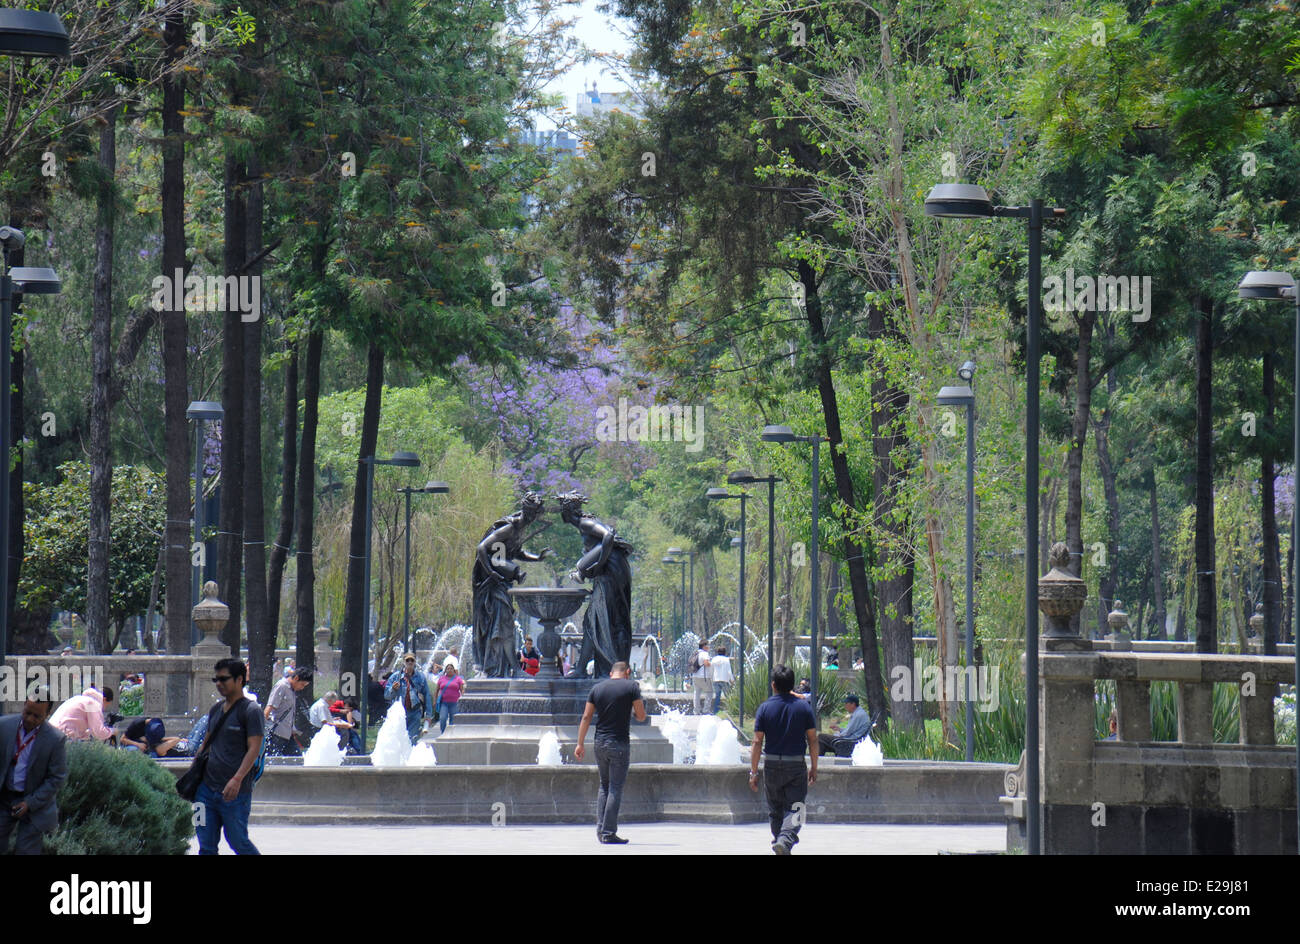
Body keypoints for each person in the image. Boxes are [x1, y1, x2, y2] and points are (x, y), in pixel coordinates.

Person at [194, 658, 264, 855]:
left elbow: (254, 749)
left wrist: (237, 779)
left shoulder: (251, 711)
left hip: (235, 792)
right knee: (205, 845)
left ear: (239, 679)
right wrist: (194, 777)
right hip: (205, 791)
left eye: (223, 679)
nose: (218, 684)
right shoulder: (215, 709)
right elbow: (205, 745)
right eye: (215, 679)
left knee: (238, 842)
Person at [574, 661, 646, 844]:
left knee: (604, 785)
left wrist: (579, 744)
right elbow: (642, 715)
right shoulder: (632, 687)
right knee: (615, 787)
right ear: (627, 672)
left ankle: (601, 830)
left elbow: (586, 717)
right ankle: (608, 832)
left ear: (611, 672)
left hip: (599, 742)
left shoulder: (597, 688)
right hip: (619, 743)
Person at [750, 665, 818, 855]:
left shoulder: (765, 708)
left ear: (773, 685)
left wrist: (753, 772)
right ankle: (785, 840)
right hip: (795, 764)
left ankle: (780, 841)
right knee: (796, 808)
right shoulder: (803, 708)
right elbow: (813, 739)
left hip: (771, 763)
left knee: (775, 808)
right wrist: (814, 766)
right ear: (792, 685)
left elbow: (757, 741)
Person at [0, 688, 67, 855]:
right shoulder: (4, 726)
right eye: (27, 712)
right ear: (23, 705)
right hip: (5, 798)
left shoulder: (55, 739)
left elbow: (56, 778)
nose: (30, 719)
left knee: (26, 851)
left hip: (35, 803)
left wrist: (30, 803)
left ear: (48, 714)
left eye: (37, 716)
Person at [386, 655, 433, 744]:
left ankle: (410, 756)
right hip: (400, 713)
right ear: (404, 662)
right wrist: (393, 689)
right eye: (408, 660)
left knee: (412, 738)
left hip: (415, 712)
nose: (410, 662)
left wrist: (428, 715)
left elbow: (427, 695)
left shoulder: (420, 677)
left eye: (412, 660)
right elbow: (387, 696)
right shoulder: (395, 677)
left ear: (415, 662)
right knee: (398, 739)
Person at [264, 666, 311, 756]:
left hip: (288, 735)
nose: (302, 688)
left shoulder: (292, 690)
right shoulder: (282, 686)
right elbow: (269, 708)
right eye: (302, 685)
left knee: (297, 761)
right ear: (296, 678)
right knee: (271, 761)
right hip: (276, 734)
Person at [49, 686, 116, 743]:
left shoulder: (79, 699)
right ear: (104, 699)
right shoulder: (93, 703)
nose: (104, 708)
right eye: (106, 705)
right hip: (63, 735)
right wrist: (112, 731)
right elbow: (98, 732)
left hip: (51, 731)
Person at [435, 662, 466, 734]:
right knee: (442, 718)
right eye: (448, 669)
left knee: (453, 720)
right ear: (445, 670)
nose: (449, 670)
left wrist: (462, 699)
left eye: (451, 668)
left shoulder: (458, 679)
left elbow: (462, 690)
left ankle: (451, 734)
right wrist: (435, 700)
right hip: (444, 703)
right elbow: (436, 690)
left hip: (454, 703)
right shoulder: (441, 679)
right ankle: (443, 733)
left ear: (454, 670)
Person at [688, 640, 712, 714]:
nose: (709, 647)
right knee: (709, 692)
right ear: (704, 646)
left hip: (695, 675)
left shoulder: (695, 653)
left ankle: (696, 710)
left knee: (697, 693)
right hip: (704, 676)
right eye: (708, 646)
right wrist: (712, 664)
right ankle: (706, 710)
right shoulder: (705, 654)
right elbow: (706, 663)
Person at [710, 647, 734, 714]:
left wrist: (711, 678)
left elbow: (711, 669)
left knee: (717, 696)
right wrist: (732, 679)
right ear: (725, 652)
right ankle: (731, 709)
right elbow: (729, 670)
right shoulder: (726, 659)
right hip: (724, 680)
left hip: (716, 679)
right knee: (728, 696)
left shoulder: (714, 659)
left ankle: (715, 711)